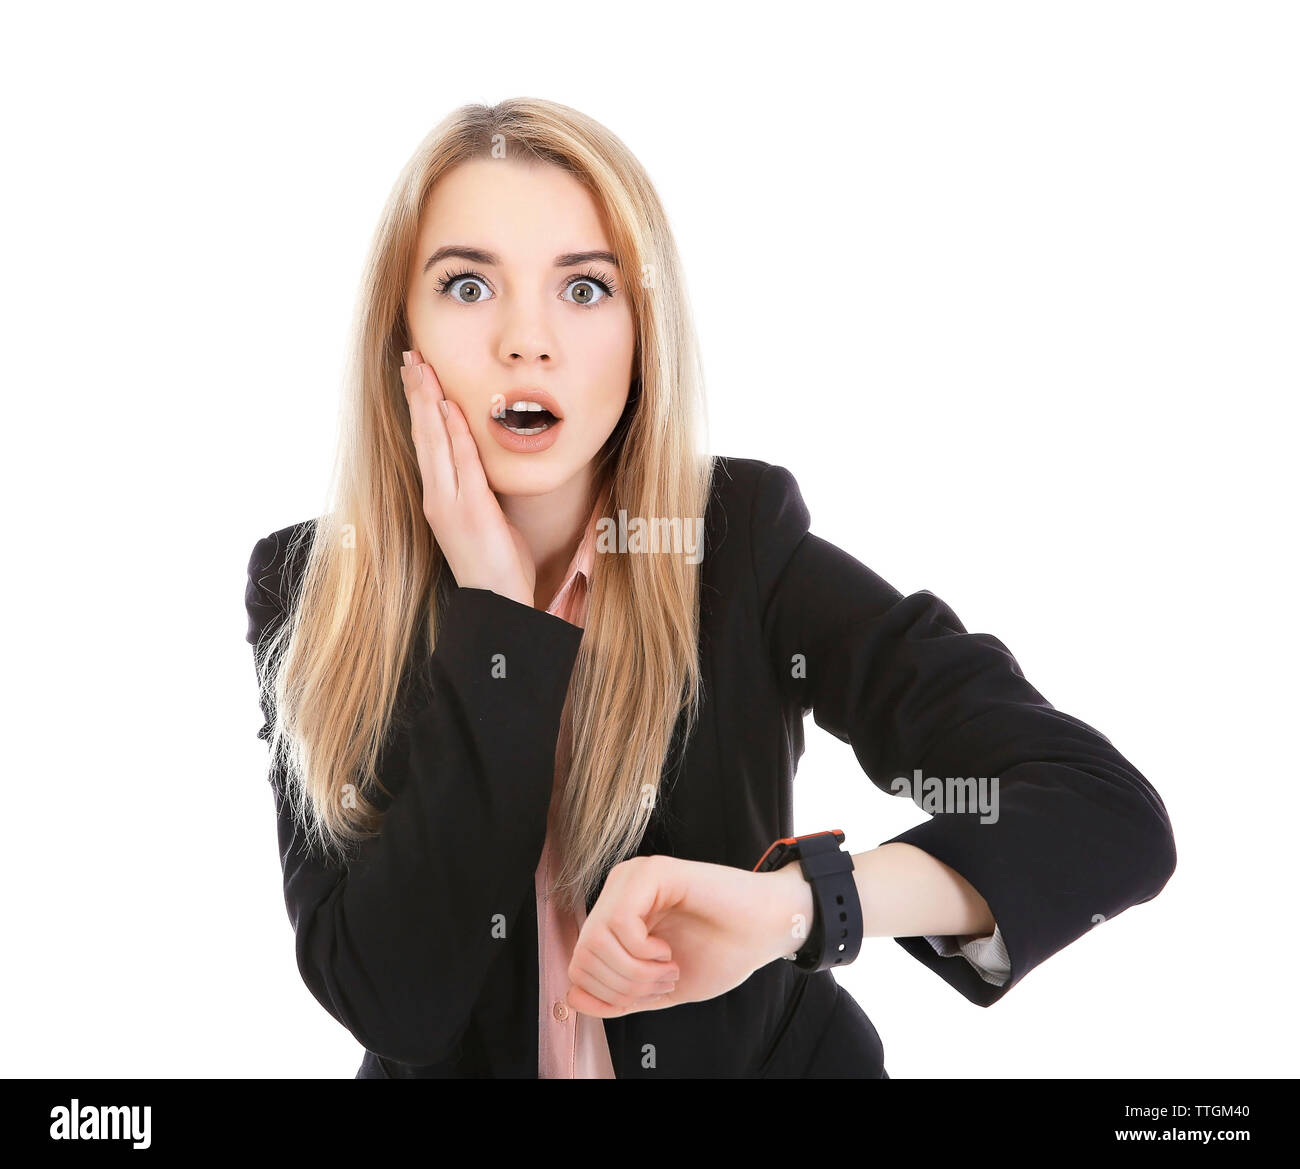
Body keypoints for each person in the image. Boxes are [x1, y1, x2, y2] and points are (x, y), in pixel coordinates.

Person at [244, 97, 1177, 1079]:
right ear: (400, 332)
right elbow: (395, 999)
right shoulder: (311, 589)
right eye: (468, 285)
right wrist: (497, 618)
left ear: (644, 331)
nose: (527, 340)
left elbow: (1101, 811)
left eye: (585, 289)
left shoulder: (738, 542)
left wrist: (799, 908)